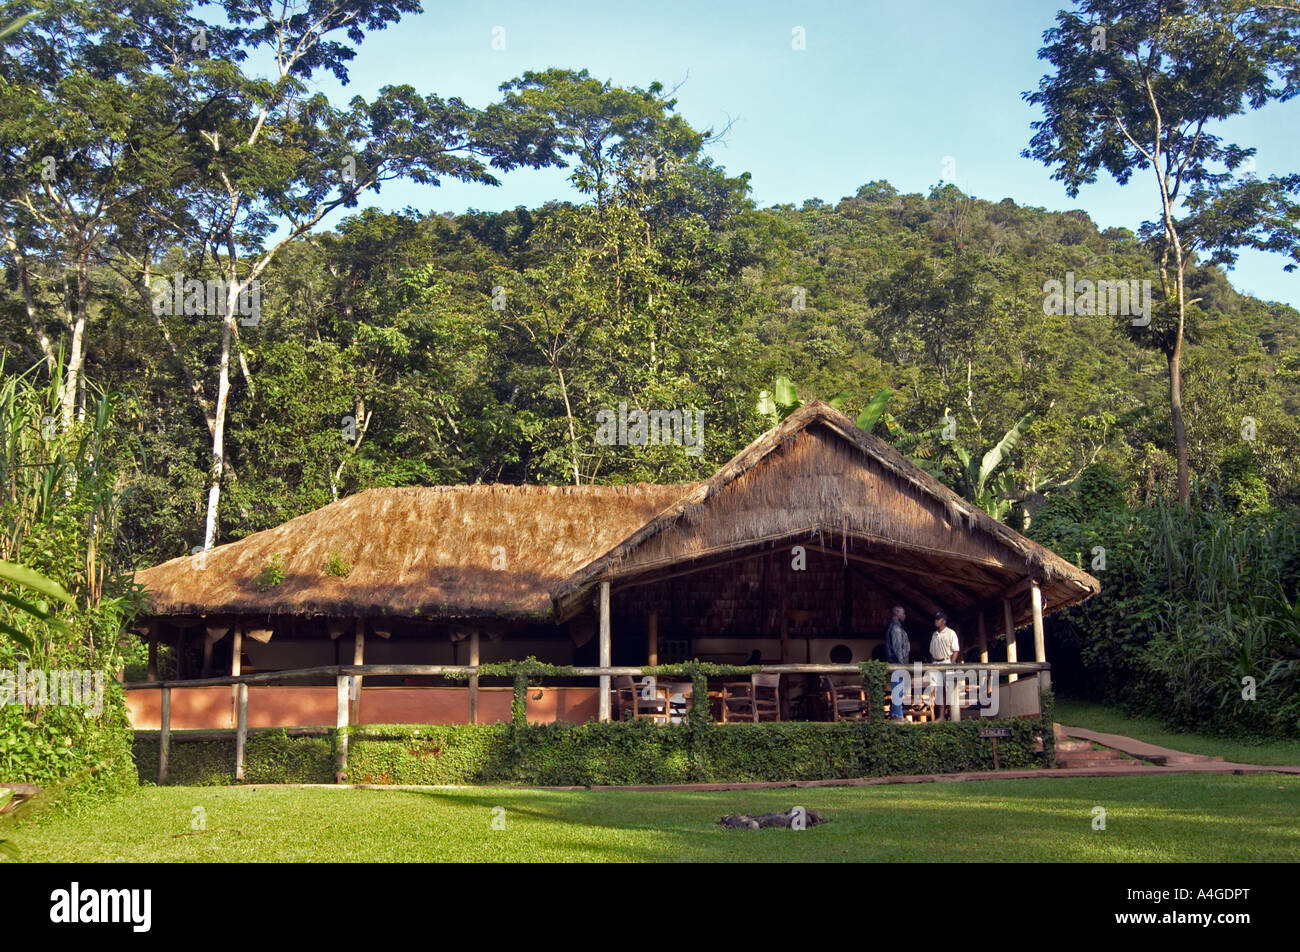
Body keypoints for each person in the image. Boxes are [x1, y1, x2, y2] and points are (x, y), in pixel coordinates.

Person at [929, 611, 960, 719]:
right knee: (939, 690)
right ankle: (941, 716)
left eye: (938, 619)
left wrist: (952, 663)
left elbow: (956, 650)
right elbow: (932, 652)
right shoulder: (934, 634)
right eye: (936, 619)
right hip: (936, 663)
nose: (936, 621)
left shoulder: (951, 633)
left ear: (944, 621)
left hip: (947, 661)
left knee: (950, 689)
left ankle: (953, 715)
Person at [883, 605, 910, 722]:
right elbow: (897, 648)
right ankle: (897, 714)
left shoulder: (896, 627)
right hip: (897, 662)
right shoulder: (896, 629)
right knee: (898, 689)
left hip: (896, 662)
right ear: (897, 614)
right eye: (903, 613)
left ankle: (896, 713)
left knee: (898, 689)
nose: (904, 616)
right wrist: (903, 665)